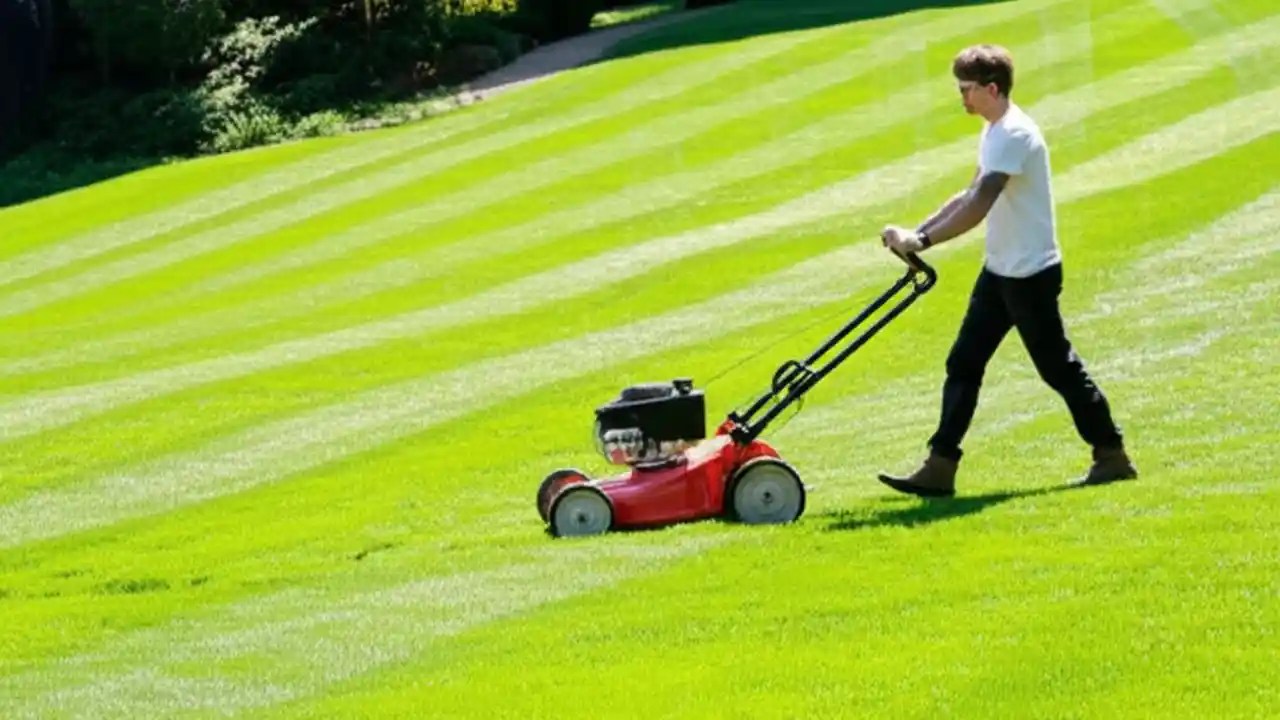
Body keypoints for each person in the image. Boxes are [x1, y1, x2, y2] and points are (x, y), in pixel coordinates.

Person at [876, 44, 1136, 497]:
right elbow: (968, 192)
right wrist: (917, 233)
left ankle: (1112, 455)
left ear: (991, 89)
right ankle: (940, 466)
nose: (961, 98)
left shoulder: (1015, 134)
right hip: (1001, 271)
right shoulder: (994, 129)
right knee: (964, 362)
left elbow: (981, 204)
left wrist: (925, 241)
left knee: (1058, 369)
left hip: (1029, 276)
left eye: (966, 89)